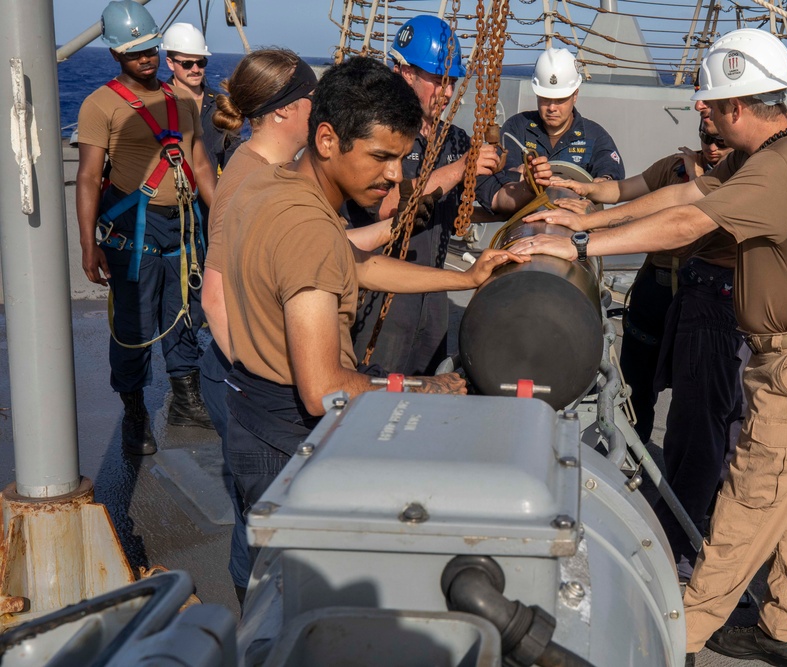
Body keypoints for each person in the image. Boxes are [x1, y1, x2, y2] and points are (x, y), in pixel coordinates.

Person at [510, 28, 787, 667]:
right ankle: (784, 629)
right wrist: (584, 220)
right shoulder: (771, 154)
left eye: (713, 104)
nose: (704, 112)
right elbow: (684, 192)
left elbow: (692, 222)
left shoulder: (778, 167)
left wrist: (579, 248)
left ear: (738, 107)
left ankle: (667, 643)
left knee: (746, 510)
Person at [221, 56, 523, 527]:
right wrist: (427, 388)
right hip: (288, 439)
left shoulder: (265, 184)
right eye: (381, 157)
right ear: (326, 140)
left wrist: (465, 279)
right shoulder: (311, 232)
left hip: (248, 409)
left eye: (401, 158)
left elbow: (358, 264)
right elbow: (325, 391)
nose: (396, 176)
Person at [538, 120, 742, 584]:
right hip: (658, 294)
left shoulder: (740, 180)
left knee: (703, 415)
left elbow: (678, 220)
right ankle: (632, 479)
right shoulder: (673, 168)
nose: (713, 149)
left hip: (702, 301)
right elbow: (623, 191)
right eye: (708, 140)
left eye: (722, 142)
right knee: (636, 393)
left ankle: (698, 513)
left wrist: (584, 235)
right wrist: (582, 191)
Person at [199, 48, 318, 606]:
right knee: (263, 526)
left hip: (251, 380)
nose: (319, 108)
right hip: (245, 383)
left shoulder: (271, 169)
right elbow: (215, 295)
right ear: (284, 111)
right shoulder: (249, 179)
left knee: (262, 518)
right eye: (312, 98)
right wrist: (265, 375)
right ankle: (255, 630)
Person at [76, 0, 217, 456]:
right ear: (116, 54)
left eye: (152, 48)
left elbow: (200, 164)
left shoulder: (182, 102)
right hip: (133, 232)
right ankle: (134, 411)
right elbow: (86, 177)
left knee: (183, 317)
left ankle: (186, 400)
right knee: (135, 324)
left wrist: (225, 225)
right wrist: (87, 247)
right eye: (136, 52)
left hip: (182, 230)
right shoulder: (100, 105)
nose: (148, 57)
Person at [347, 15, 501, 375]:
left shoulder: (455, 137)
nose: (447, 94)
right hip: (382, 290)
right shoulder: (379, 132)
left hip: (432, 292)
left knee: (426, 394)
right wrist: (461, 167)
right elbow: (386, 205)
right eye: (438, 81)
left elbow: (495, 199)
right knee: (373, 396)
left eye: (452, 83)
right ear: (406, 74)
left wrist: (526, 185)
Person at [476, 47, 624, 215]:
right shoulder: (516, 128)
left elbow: (612, 178)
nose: (552, 108)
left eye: (560, 100)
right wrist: (520, 176)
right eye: (545, 99)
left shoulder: (595, 137)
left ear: (575, 95)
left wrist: (600, 184)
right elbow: (501, 177)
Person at [161, 23, 240, 176]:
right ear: (170, 63)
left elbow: (231, 159)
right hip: (169, 196)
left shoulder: (221, 105)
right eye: (187, 64)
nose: (196, 70)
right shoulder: (156, 103)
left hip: (210, 196)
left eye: (201, 62)